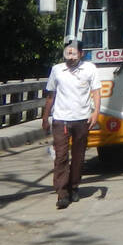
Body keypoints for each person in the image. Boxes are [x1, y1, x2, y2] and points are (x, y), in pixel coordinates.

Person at [42, 38, 101, 209]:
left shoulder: (89, 68)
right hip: (61, 119)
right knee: (61, 156)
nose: (71, 56)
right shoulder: (57, 70)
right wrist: (45, 118)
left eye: (74, 53)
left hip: (82, 119)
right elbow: (50, 95)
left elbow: (96, 91)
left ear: (81, 54)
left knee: (78, 156)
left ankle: (74, 186)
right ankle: (62, 193)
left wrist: (96, 112)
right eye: (68, 53)